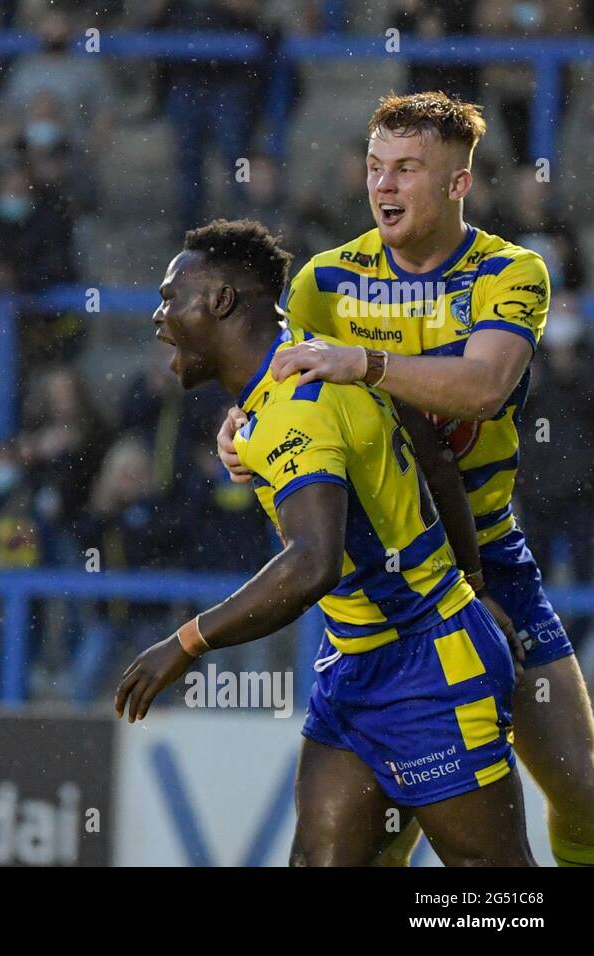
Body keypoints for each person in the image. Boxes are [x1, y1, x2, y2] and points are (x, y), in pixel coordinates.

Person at [217, 91, 594, 867]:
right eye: (375, 168)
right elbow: (278, 399)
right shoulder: (324, 282)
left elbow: (485, 386)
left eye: (408, 171)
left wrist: (367, 362)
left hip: (491, 557)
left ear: (458, 184)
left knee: (584, 790)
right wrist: (239, 434)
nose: (383, 188)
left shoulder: (510, 272)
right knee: (369, 839)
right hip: (385, 586)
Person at [118, 218, 533, 866]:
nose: (159, 315)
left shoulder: (295, 406)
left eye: (172, 297)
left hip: (429, 669)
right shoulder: (320, 360)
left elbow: (311, 564)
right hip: (355, 666)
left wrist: (186, 643)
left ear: (222, 301)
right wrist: (473, 585)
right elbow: (432, 452)